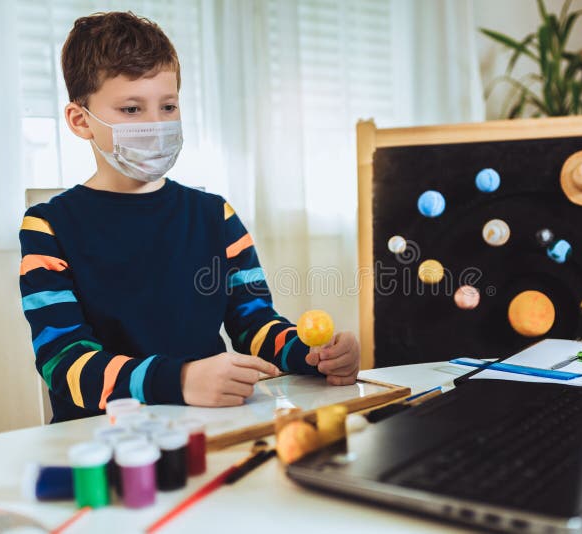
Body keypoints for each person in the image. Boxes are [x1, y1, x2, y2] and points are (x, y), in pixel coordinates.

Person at [18, 11, 360, 422]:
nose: (155, 124)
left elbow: (255, 322)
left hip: (211, 428)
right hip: (109, 441)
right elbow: (64, 362)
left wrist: (314, 354)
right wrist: (179, 380)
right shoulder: (48, 228)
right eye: (131, 109)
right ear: (80, 120)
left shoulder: (215, 215)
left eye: (168, 106)